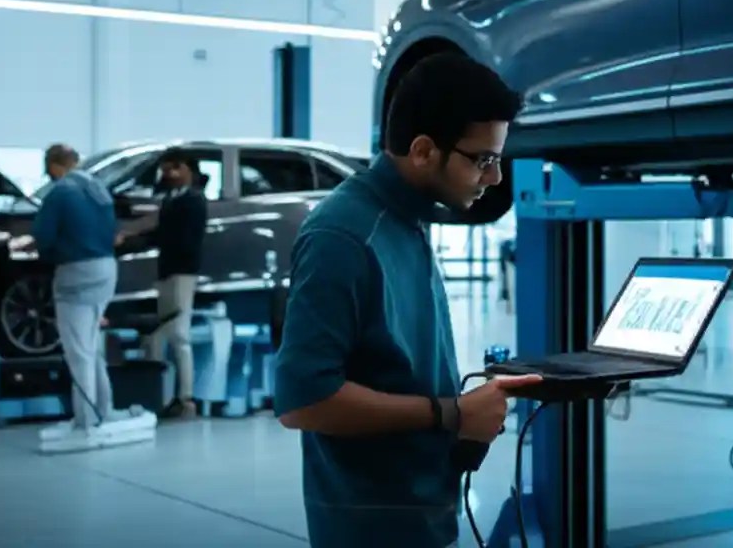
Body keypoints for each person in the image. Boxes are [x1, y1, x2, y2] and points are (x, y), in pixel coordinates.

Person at [272, 54, 542, 548]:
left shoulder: (404, 219)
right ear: (423, 151)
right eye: (482, 160)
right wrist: (450, 413)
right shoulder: (345, 236)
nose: (495, 178)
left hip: (420, 512)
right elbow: (303, 401)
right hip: (372, 526)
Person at [31, 143, 129, 438]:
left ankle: (85, 422)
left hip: (76, 272)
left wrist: (43, 251)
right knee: (91, 347)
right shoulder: (99, 190)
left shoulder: (60, 192)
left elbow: (43, 237)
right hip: (107, 270)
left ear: (53, 166)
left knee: (78, 353)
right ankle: (104, 410)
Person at [146, 147, 208, 419]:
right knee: (162, 334)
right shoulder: (170, 199)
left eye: (174, 168)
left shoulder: (194, 200)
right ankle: (163, 395)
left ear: (188, 170)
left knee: (179, 334)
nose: (169, 174)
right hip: (167, 271)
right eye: (165, 169)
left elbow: (185, 239)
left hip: (182, 271)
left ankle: (186, 398)